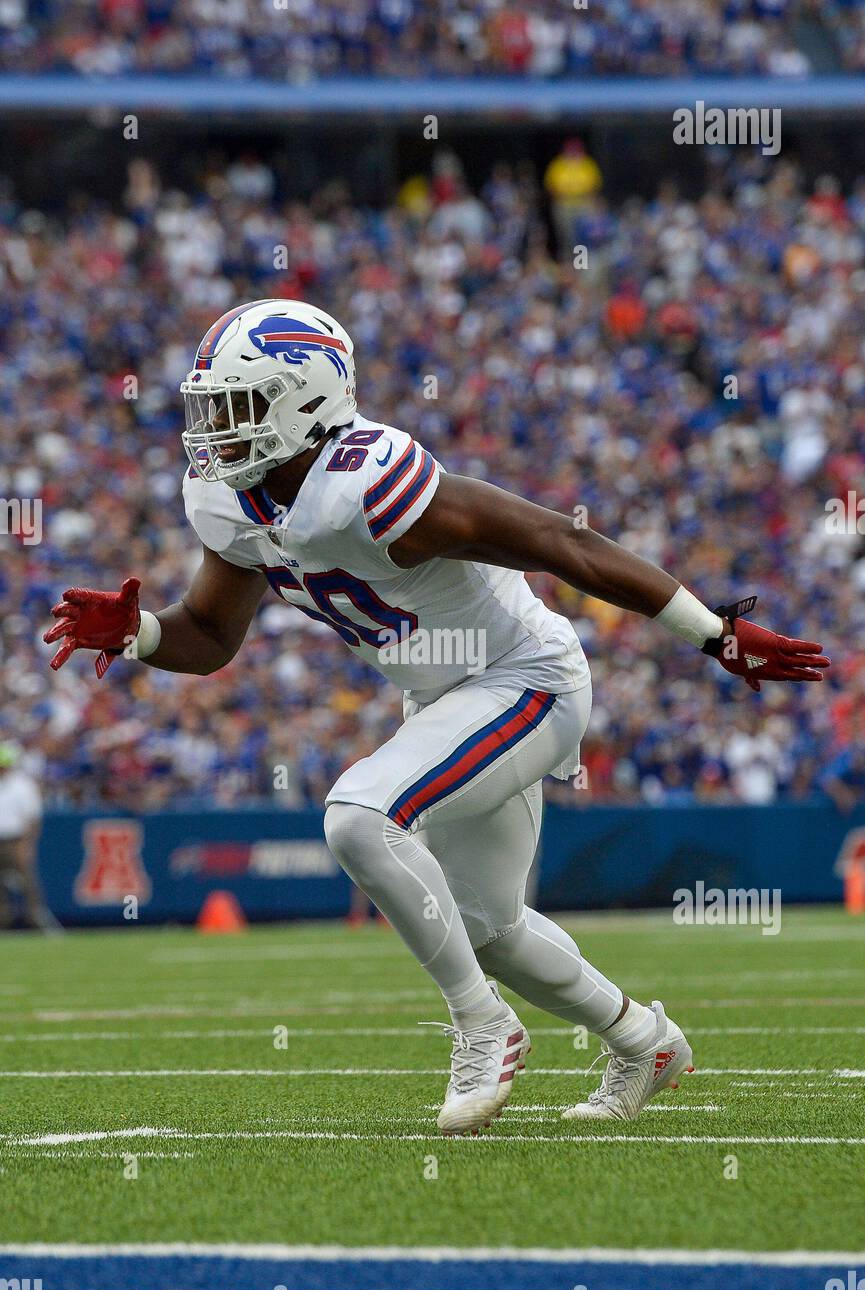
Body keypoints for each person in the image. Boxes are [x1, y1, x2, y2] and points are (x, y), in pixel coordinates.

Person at [43, 298, 829, 1134]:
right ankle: (644, 1039)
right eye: (209, 408)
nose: (214, 430)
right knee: (487, 925)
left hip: (524, 680)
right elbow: (208, 634)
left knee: (358, 815)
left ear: (305, 398)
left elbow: (561, 541)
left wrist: (712, 634)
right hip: (443, 695)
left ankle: (481, 1024)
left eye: (236, 406)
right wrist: (140, 634)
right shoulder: (229, 501)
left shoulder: (370, 482)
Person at [0, 743, 63, 934]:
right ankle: (3, 920)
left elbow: (32, 818)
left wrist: (26, 844)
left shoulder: (22, 784)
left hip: (15, 839)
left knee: (27, 882)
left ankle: (37, 918)